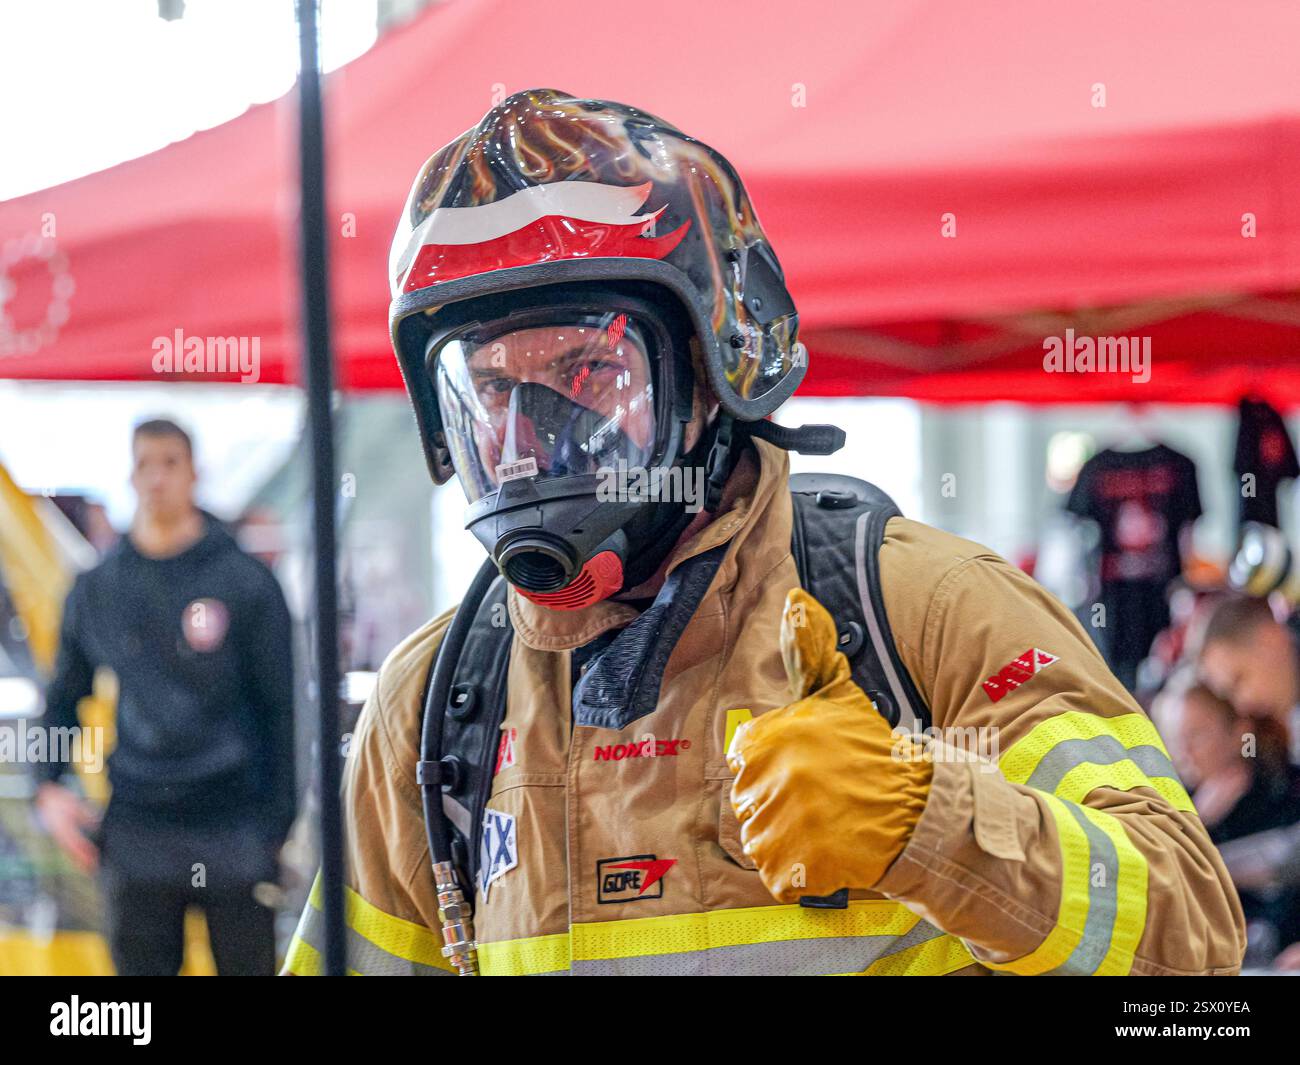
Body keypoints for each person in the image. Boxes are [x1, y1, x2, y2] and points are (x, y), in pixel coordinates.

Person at [284, 89, 1244, 976]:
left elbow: (1190, 934)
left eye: (586, 374)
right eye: (491, 390)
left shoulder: (925, 611)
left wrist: (929, 823)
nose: (534, 445)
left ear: (714, 367)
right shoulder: (432, 708)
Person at [34, 419, 295, 975]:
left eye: (169, 463)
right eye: (144, 464)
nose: (156, 478)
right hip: (138, 824)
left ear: (194, 473)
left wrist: (277, 824)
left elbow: (284, 711)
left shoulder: (244, 580)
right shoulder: (101, 586)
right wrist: (47, 787)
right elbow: (63, 697)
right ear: (130, 476)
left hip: (234, 823)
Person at [1176, 683, 1300, 965]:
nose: (1186, 752)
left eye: (1197, 736)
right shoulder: (1179, 809)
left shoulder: (1286, 790)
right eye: (1177, 740)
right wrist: (1197, 822)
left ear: (1238, 733)